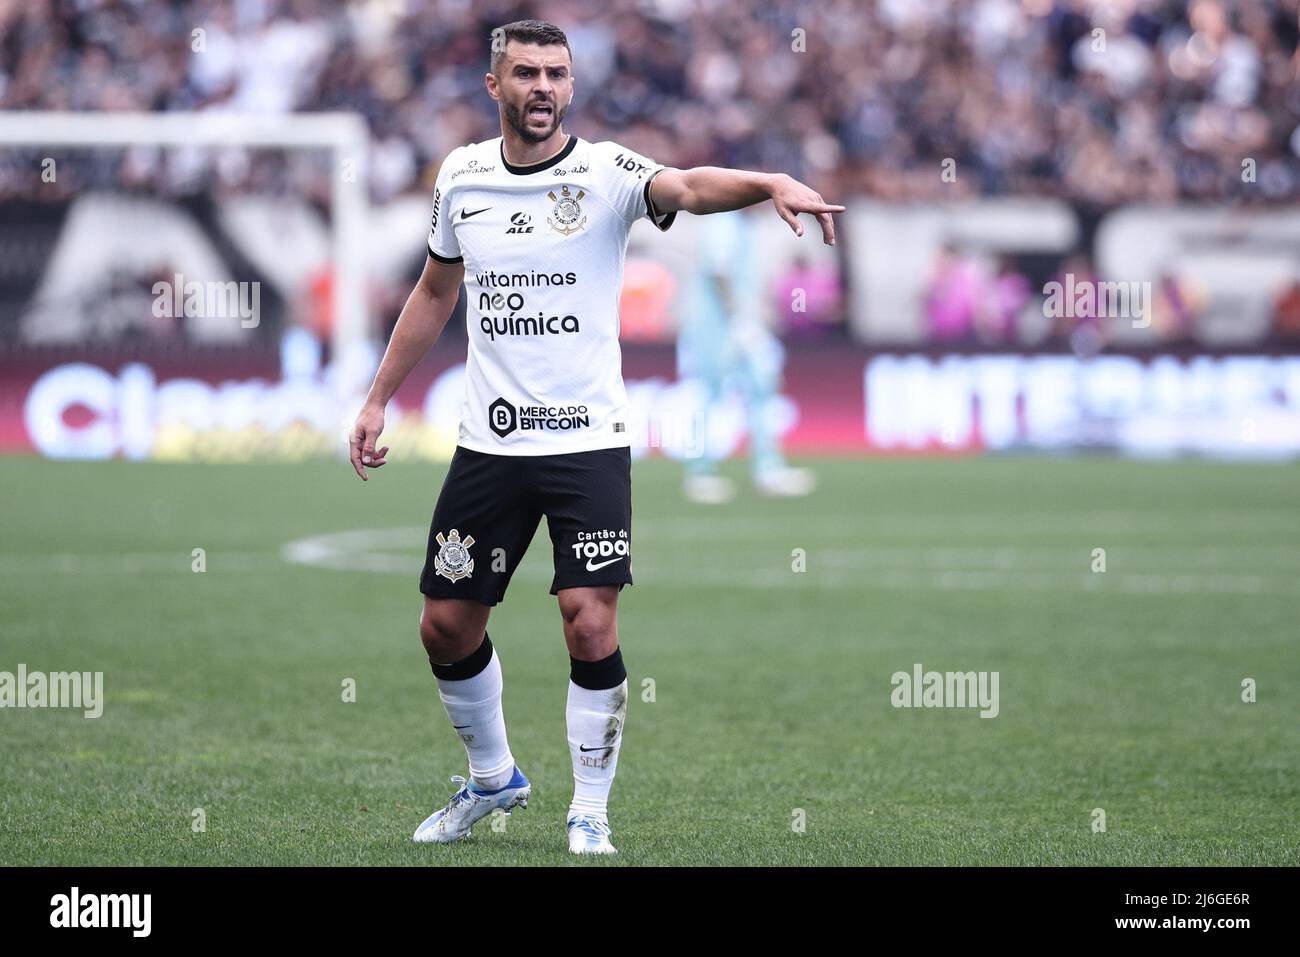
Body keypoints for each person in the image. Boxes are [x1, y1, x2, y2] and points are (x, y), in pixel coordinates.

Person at [347, 19, 843, 855]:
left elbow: (685, 188)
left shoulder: (607, 173)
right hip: (490, 444)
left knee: (589, 621)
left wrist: (767, 182)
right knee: (444, 625)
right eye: (527, 72)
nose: (543, 86)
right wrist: (376, 398)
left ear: (571, 87)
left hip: (586, 443)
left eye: (557, 74)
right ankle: (494, 775)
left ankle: (590, 808)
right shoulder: (462, 178)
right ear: (494, 85)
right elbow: (435, 294)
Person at [678, 210, 817, 504]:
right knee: (707, 395)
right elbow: (719, 272)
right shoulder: (722, 222)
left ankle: (768, 468)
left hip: (739, 325)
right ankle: (699, 472)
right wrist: (739, 319)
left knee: (761, 387)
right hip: (715, 327)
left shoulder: (744, 227)